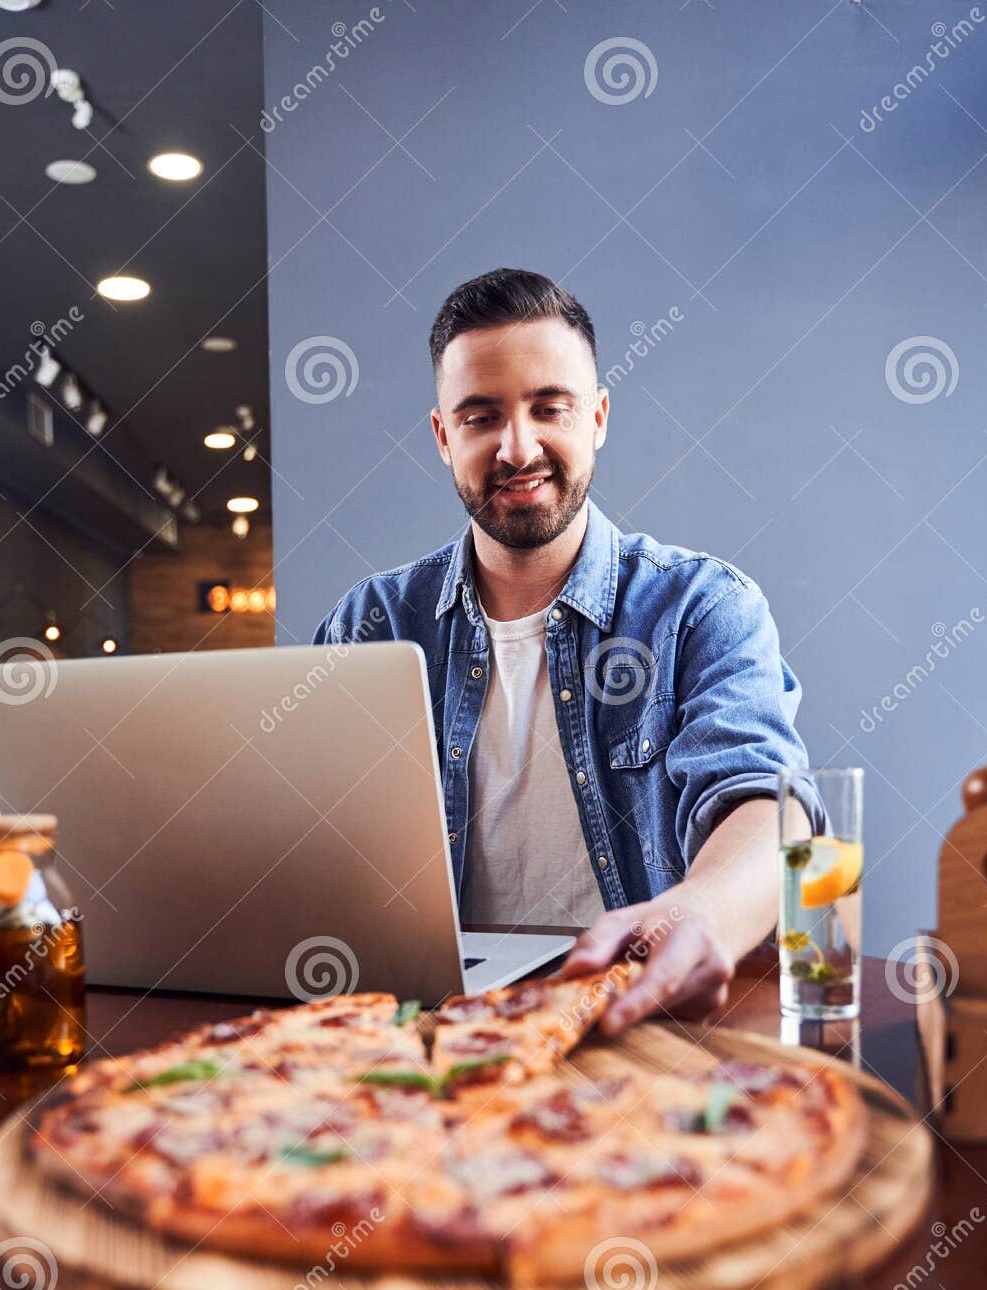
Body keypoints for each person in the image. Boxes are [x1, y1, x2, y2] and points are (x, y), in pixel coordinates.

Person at [313, 268, 818, 1031]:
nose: (519, 448)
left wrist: (699, 914)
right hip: (423, 1038)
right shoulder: (370, 622)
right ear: (443, 436)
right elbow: (309, 843)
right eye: (481, 417)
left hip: (640, 1025)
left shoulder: (702, 607)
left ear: (597, 417)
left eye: (548, 408)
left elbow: (764, 804)